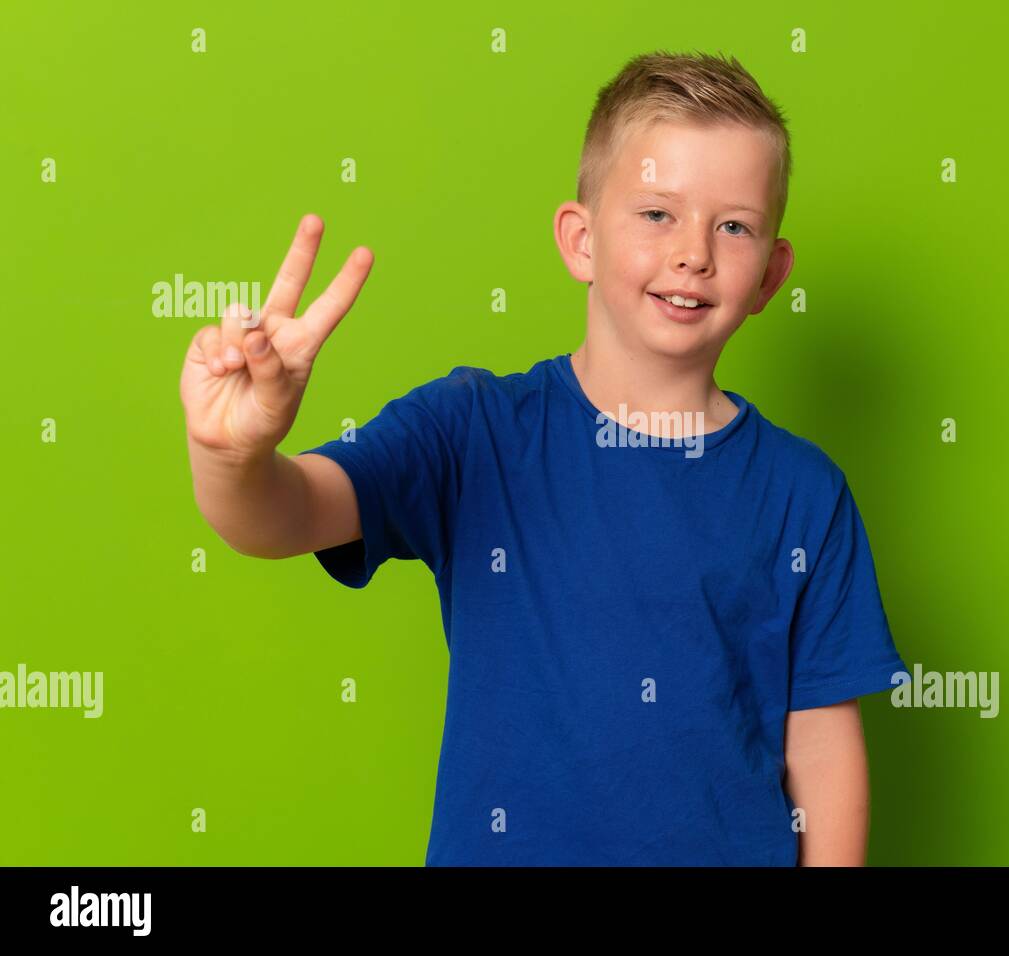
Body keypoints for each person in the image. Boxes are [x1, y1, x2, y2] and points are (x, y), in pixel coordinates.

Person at [180, 49, 909, 866]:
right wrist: (231, 454)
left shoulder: (804, 494)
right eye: (657, 214)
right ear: (581, 240)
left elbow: (822, 748)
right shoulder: (471, 431)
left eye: (732, 225)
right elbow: (281, 514)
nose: (694, 254)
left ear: (771, 274)